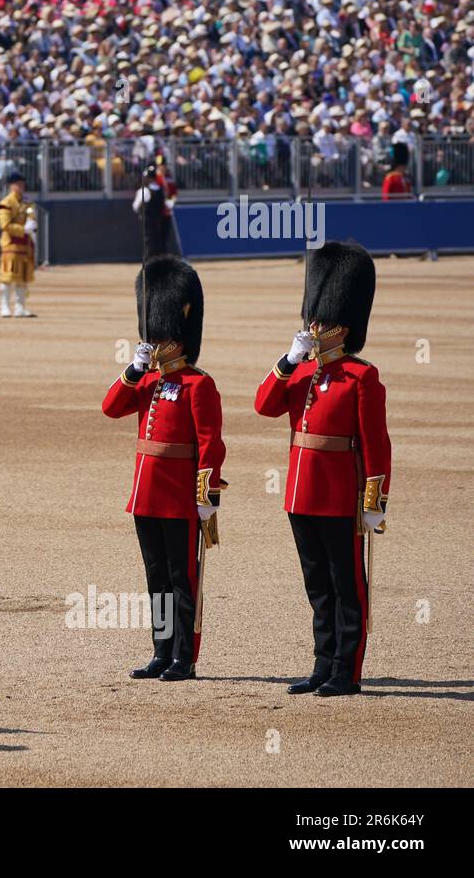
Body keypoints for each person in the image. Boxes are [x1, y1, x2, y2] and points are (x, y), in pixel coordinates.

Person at [255, 242, 390, 697]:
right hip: (301, 494)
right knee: (318, 587)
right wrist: (287, 360)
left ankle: (346, 671)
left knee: (346, 586)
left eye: (324, 322)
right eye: (313, 320)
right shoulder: (299, 371)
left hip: (339, 496)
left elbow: (376, 443)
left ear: (344, 329)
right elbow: (264, 405)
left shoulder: (361, 376)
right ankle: (321, 665)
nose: (315, 329)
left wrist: (374, 501)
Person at [102, 255, 225, 681]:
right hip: (147, 494)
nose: (157, 343)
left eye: (163, 336)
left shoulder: (199, 384)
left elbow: (211, 443)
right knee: (156, 577)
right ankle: (160, 649)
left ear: (180, 338)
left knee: (182, 577)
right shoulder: (148, 381)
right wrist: (133, 370)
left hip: (179, 497)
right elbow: (110, 408)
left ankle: (184, 656)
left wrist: (207, 496)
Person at [0, 171, 36, 317]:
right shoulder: (5, 203)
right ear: (11, 186)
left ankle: (20, 307)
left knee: (23, 277)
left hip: (25, 244)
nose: (21, 186)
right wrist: (23, 229)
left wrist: (32, 222)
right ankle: (4, 306)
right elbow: (4, 225)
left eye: (22, 184)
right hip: (11, 244)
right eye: (18, 184)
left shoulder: (27, 203)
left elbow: (32, 215)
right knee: (7, 277)